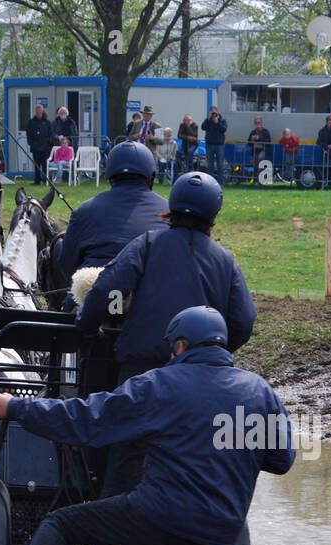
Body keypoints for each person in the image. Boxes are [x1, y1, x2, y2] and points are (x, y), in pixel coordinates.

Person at [0, 305, 294, 545]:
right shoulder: (259, 391)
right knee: (138, 537)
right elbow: (282, 459)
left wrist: (17, 408)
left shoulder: (160, 384)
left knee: (62, 523)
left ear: (180, 346)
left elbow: (89, 421)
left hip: (160, 518)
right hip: (219, 532)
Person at [77, 172, 256, 497]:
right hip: (201, 381)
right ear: (213, 215)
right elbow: (243, 322)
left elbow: (105, 290)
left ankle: (112, 540)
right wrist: (214, 355)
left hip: (141, 375)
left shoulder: (146, 244)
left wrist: (86, 329)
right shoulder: (225, 261)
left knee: (127, 460)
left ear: (171, 207)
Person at [58, 140, 169, 277]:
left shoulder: (84, 210)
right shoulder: (169, 211)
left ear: (110, 175)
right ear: (151, 177)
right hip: (153, 293)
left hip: (94, 294)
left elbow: (66, 265)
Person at [27, 103, 53, 185]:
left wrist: (48, 142)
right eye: (37, 110)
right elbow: (28, 133)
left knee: (45, 164)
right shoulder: (31, 121)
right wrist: (30, 142)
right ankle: (37, 180)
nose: (39, 111)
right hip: (35, 146)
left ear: (42, 111)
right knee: (37, 164)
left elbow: (50, 133)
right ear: (35, 111)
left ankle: (45, 180)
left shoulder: (47, 122)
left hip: (45, 147)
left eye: (40, 110)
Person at [201, 105, 227, 182]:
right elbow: (203, 127)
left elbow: (223, 129)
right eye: (212, 113)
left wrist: (217, 122)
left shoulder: (222, 120)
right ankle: (210, 182)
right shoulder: (208, 121)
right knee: (210, 165)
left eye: (214, 112)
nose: (213, 115)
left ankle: (220, 182)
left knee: (220, 165)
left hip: (219, 145)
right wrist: (208, 119)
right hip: (209, 145)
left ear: (217, 112)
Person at [246, 116, 272, 183]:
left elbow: (268, 142)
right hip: (255, 150)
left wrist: (259, 138)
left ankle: (261, 180)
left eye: (259, 122)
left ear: (262, 123)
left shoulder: (265, 131)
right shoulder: (253, 132)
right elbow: (249, 143)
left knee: (260, 161)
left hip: (264, 150)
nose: (257, 124)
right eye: (256, 123)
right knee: (255, 163)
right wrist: (251, 140)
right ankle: (256, 178)